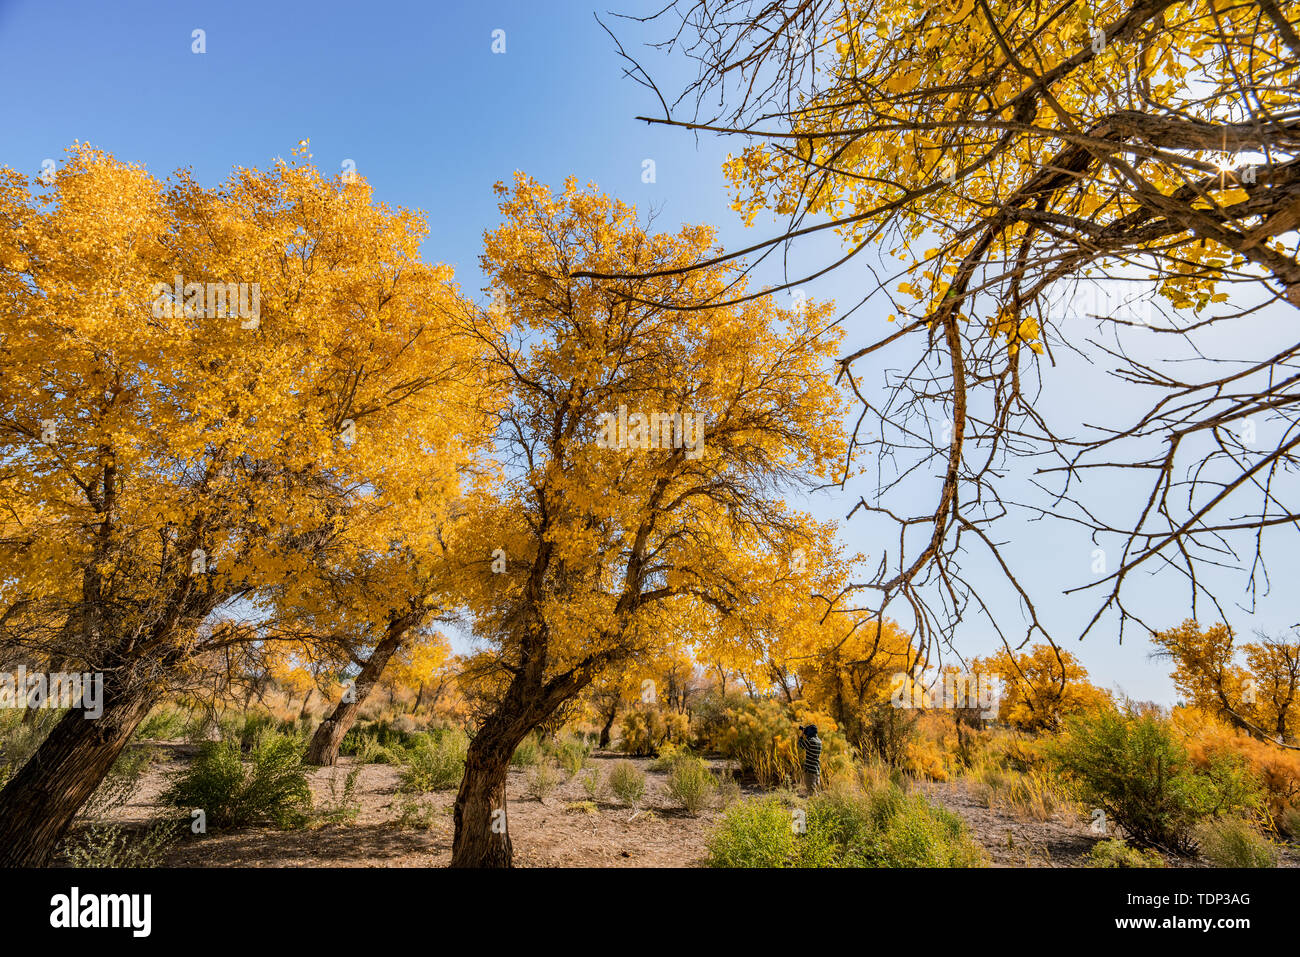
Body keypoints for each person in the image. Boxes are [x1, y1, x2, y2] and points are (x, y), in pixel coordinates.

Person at [797, 724, 822, 793]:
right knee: (816, 791)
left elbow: (800, 745)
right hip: (816, 769)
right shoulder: (819, 741)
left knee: (811, 792)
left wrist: (802, 735)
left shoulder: (810, 741)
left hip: (810, 770)